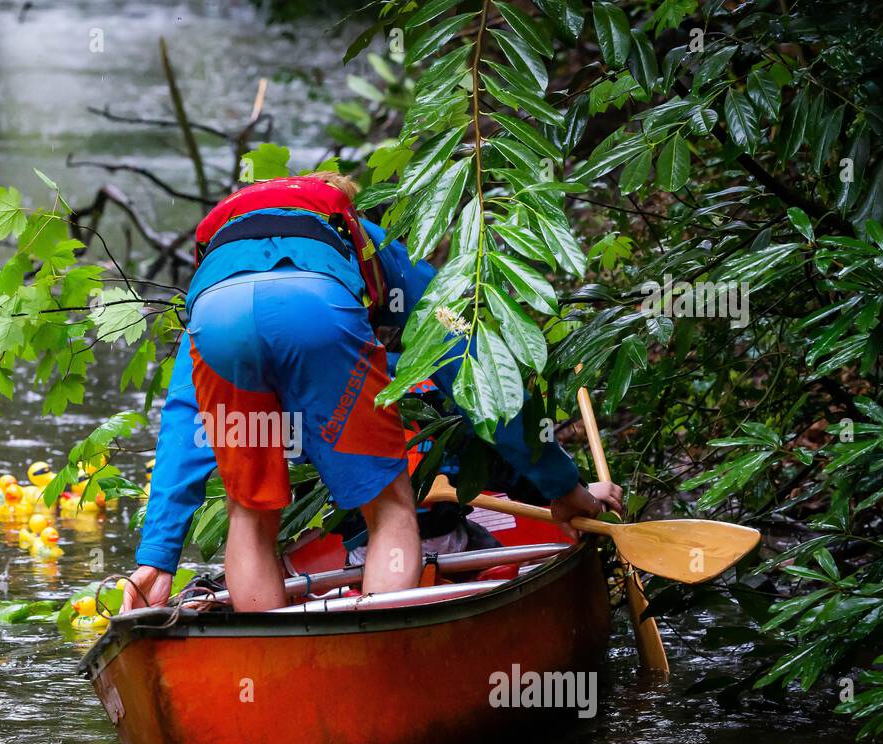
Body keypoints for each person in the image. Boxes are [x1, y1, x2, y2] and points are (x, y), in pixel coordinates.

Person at [122, 171, 619, 612]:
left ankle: (275, 666)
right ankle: (378, 643)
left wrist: (157, 558)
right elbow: (477, 370)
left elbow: (184, 418)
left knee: (250, 512)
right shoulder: (365, 242)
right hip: (316, 308)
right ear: (344, 211)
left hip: (218, 324)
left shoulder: (221, 265)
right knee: (389, 508)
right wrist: (564, 487)